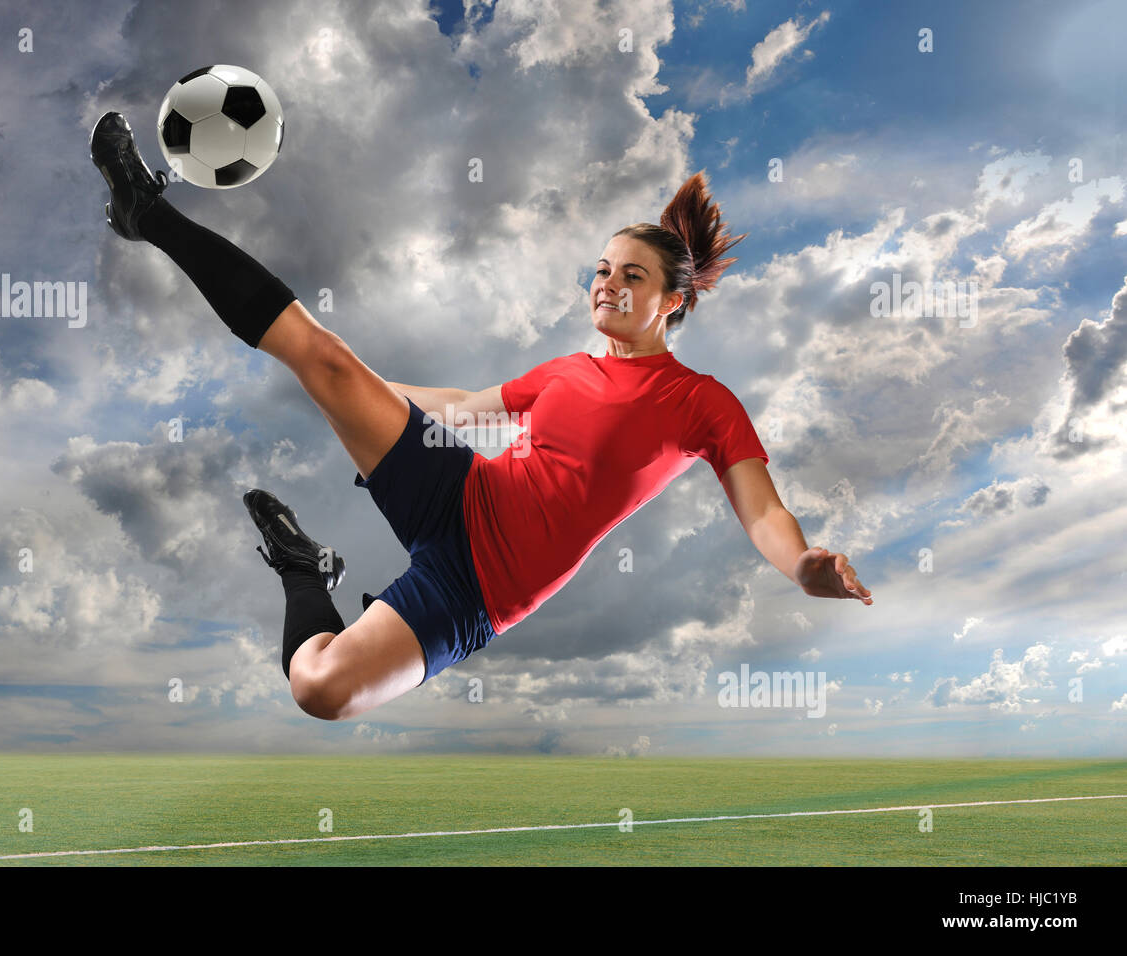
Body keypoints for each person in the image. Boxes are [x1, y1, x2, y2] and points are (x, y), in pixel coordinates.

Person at [89, 111, 873, 722]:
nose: (606, 285)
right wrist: (351, 383)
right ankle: (144, 210)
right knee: (321, 357)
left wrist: (802, 565)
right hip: (458, 490)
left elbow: (764, 511)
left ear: (674, 300)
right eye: (600, 271)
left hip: (481, 586)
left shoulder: (703, 401)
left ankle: (306, 571)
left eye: (630, 276)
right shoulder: (566, 371)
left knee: (321, 689)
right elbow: (464, 409)